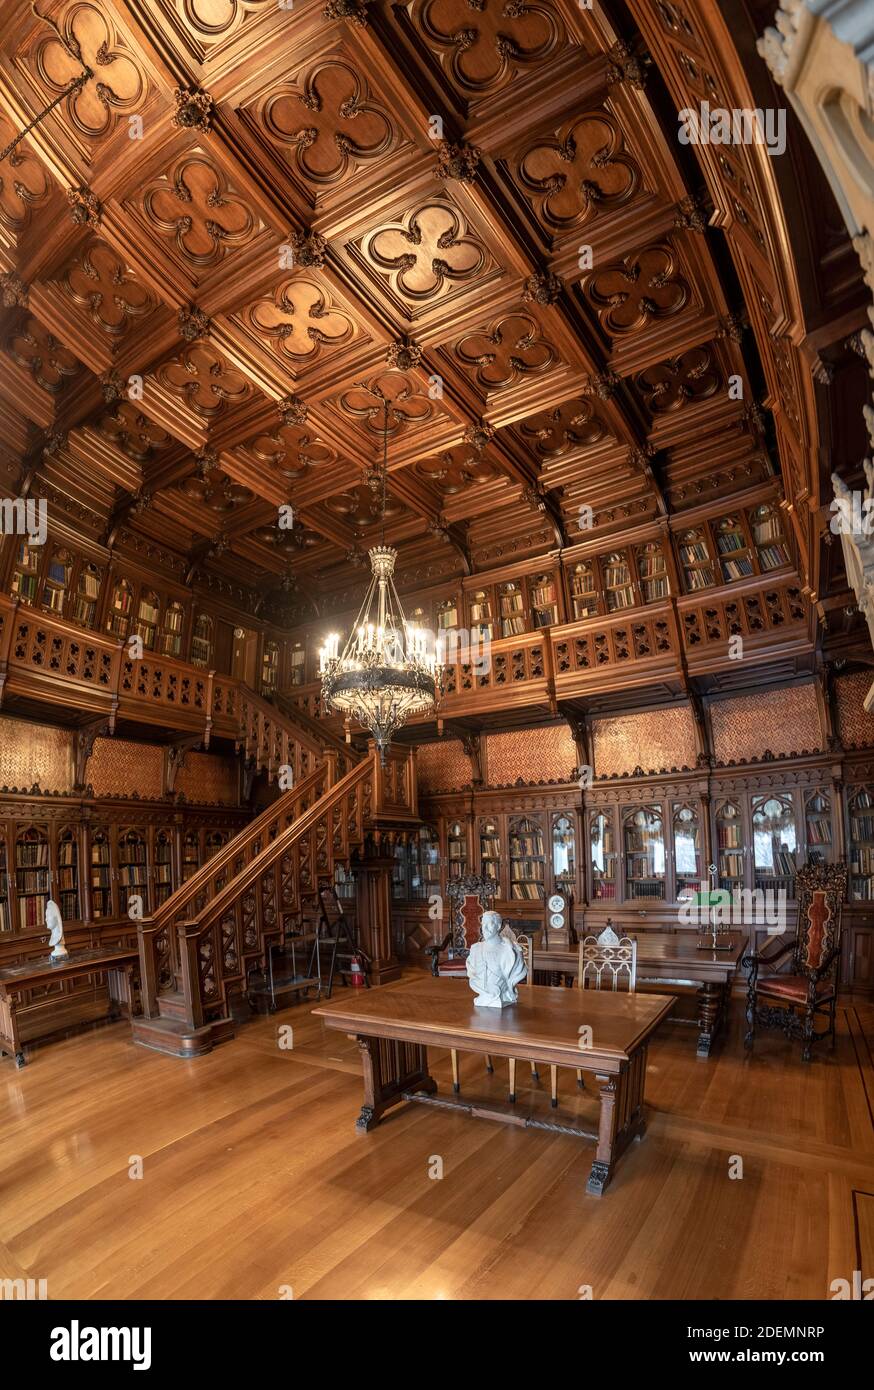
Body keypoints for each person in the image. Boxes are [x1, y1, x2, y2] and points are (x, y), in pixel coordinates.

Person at [466, 910, 526, 1008]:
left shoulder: (512, 951)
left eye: (489, 924)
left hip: (503, 1002)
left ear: (498, 926)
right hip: (482, 1001)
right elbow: (473, 973)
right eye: (483, 924)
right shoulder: (475, 950)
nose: (484, 928)